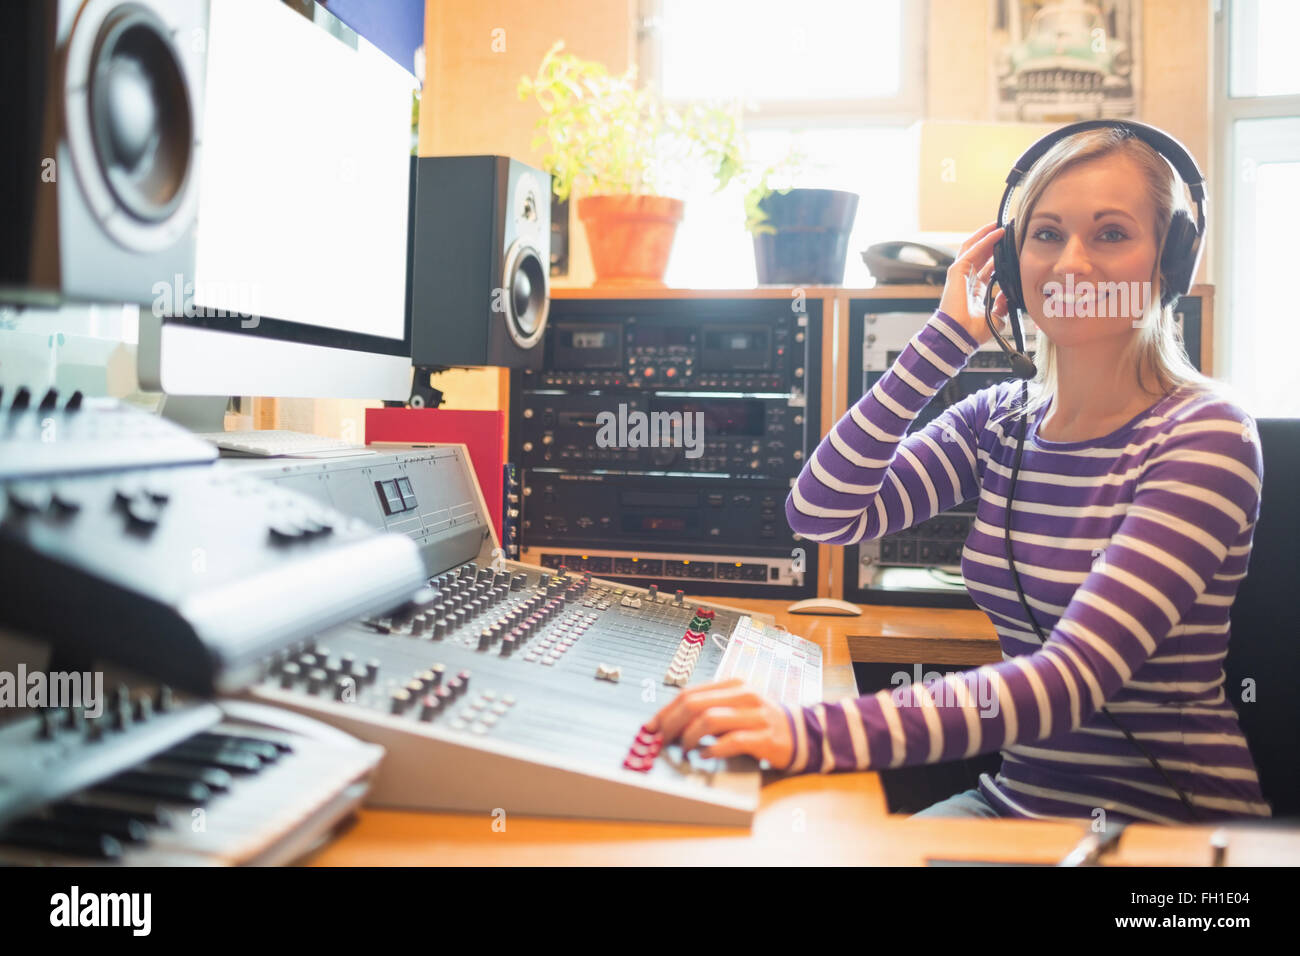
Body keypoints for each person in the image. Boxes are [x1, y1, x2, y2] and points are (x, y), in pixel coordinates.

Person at [646, 124, 1271, 825]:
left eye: (1110, 234)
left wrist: (807, 733)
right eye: (1045, 234)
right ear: (1008, 261)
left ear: (1172, 261)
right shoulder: (999, 419)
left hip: (1171, 836)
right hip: (1012, 807)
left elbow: (1068, 683)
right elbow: (821, 512)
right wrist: (941, 341)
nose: (1069, 264)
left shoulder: (1205, 435)